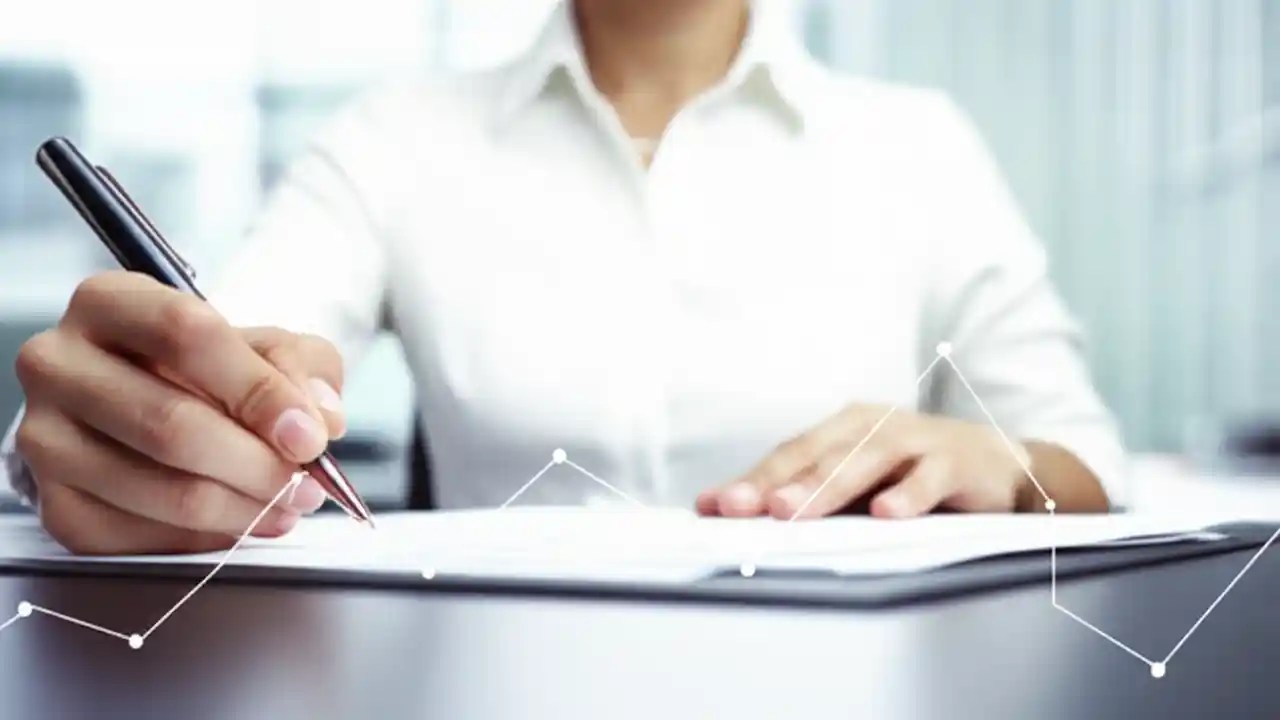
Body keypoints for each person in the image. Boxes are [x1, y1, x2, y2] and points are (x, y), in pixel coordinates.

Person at [2, 0, 1122, 555]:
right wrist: (134, 419)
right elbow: (217, 357)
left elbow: (1090, 465)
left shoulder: (916, 146)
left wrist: (996, 456)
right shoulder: (396, 138)